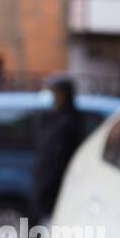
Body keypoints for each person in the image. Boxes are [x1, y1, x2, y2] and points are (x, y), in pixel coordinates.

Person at [30, 74, 85, 225]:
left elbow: (59, 159)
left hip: (55, 190)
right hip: (44, 187)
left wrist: (47, 184)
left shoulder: (69, 122)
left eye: (55, 92)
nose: (52, 97)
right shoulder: (49, 118)